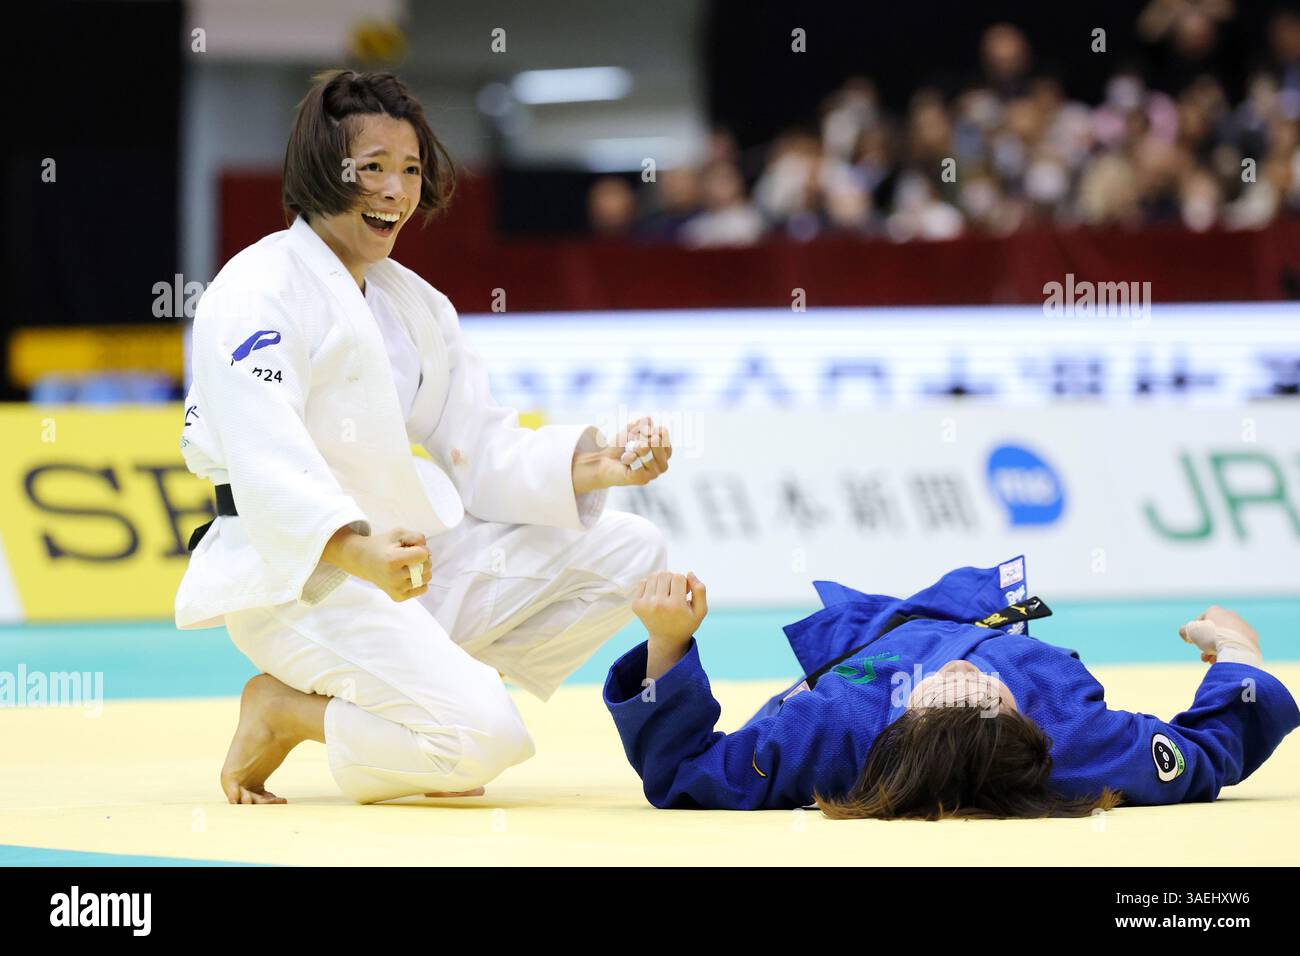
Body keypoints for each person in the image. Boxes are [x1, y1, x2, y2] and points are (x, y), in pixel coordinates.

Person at [177, 70, 670, 805]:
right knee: (485, 740)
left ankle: (430, 695)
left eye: (409, 170)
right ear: (321, 170)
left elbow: (478, 442)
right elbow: (264, 458)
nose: (395, 192)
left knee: (637, 553)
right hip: (298, 577)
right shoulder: (256, 291)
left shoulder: (413, 304)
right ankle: (289, 711)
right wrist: (350, 547)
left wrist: (593, 466)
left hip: (402, 563)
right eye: (370, 169)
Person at [604, 557, 1299, 817]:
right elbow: (1207, 751)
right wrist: (1239, 653)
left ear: (899, 721)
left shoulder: (827, 738)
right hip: (977, 618)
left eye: (941, 692)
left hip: (874, 643)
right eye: (986, 694)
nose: (966, 678)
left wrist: (666, 642)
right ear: (1028, 727)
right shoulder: (1082, 750)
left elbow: (684, 770)